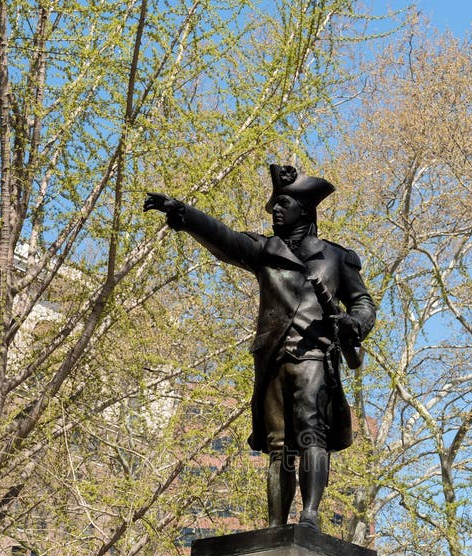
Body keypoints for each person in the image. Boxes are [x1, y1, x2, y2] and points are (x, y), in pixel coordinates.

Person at [143, 164, 375, 530]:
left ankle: (310, 515)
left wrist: (353, 322)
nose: (275, 210)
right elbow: (224, 238)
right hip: (272, 360)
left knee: (312, 432)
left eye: (283, 202)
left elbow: (363, 304)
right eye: (273, 205)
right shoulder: (264, 250)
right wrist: (183, 213)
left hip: (313, 355)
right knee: (280, 447)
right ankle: (275, 525)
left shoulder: (336, 257)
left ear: (305, 209)